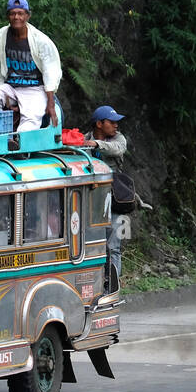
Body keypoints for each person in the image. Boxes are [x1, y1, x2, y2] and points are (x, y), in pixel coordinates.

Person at [0, 0, 62, 144]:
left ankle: (19, 144)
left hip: (35, 88)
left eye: (20, 13)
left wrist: (51, 103)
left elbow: (50, 72)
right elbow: (1, 66)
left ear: (27, 15)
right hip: (12, 86)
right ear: (8, 16)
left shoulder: (40, 40)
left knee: (30, 122)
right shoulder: (1, 35)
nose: (16, 17)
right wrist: (2, 90)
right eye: (12, 13)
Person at [82, 105, 129, 277]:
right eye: (112, 122)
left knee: (114, 247)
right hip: (90, 200)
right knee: (90, 245)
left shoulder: (119, 139)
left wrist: (95, 144)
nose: (116, 125)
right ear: (99, 124)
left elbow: (117, 149)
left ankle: (113, 286)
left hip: (114, 198)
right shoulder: (83, 138)